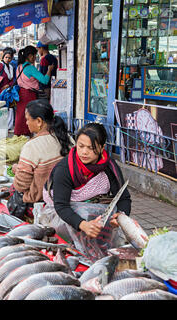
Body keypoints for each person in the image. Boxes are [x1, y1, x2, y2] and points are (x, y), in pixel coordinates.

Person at [41, 123, 131, 260]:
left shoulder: (109, 167)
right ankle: (88, 256)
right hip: (62, 215)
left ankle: (103, 254)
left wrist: (120, 216)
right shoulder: (64, 169)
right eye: (81, 146)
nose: (84, 152)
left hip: (92, 213)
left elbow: (124, 198)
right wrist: (83, 224)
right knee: (84, 219)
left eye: (91, 148)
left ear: (102, 148)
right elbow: (61, 206)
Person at [11, 100, 72, 220]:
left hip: (40, 200)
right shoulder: (67, 138)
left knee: (12, 189)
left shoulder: (32, 146)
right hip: (65, 196)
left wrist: (17, 170)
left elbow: (21, 185)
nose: (26, 123)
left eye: (28, 119)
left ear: (39, 121)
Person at [14, 45, 55, 136]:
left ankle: (19, 135)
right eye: (34, 56)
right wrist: (49, 70)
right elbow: (44, 80)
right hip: (29, 95)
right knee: (29, 115)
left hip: (20, 94)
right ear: (30, 56)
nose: (35, 58)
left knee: (20, 116)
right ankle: (27, 134)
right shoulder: (30, 68)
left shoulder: (19, 67)